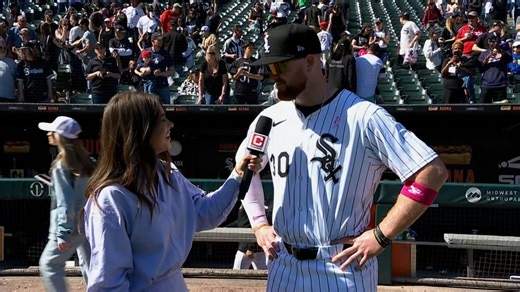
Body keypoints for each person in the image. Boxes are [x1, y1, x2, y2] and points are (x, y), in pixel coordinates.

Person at [237, 23, 448, 290]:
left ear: (310, 61)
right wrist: (259, 225)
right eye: (268, 68)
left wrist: (382, 236)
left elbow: (432, 172)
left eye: (279, 66)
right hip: (283, 266)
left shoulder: (364, 116)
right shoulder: (269, 118)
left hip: (342, 268)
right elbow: (244, 168)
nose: (272, 75)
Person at [83, 92, 261, 290]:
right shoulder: (111, 197)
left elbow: (206, 213)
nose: (170, 124)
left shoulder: (168, 174)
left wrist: (236, 175)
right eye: (162, 119)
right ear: (140, 129)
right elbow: (108, 283)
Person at [38, 116, 94, 292]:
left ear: (60, 136)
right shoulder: (87, 163)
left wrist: (62, 233)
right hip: (87, 223)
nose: (48, 133)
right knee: (91, 267)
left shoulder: (61, 165)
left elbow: (65, 202)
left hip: (70, 227)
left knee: (49, 264)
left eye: (52, 131)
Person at [0, 37, 17, 102]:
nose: (3, 49)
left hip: (8, 99)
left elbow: (17, 79)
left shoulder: (12, 62)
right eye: (0, 47)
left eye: (5, 48)